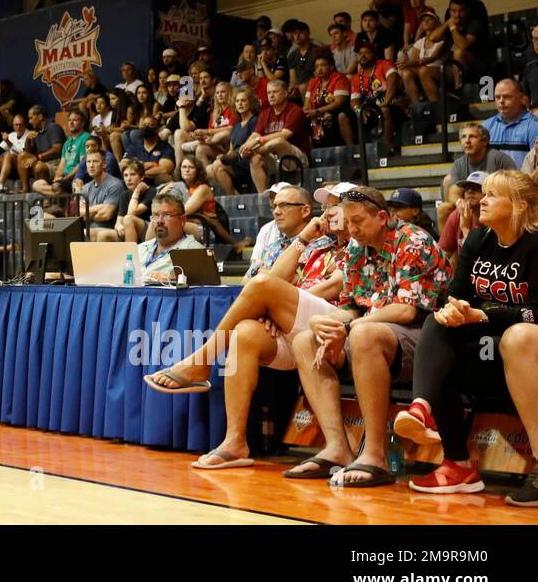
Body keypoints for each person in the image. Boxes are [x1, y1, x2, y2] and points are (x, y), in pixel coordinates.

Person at [144, 201, 349, 467]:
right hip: (296, 325)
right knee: (244, 333)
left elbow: (332, 287)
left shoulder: (358, 245)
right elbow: (277, 278)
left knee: (260, 285)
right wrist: (304, 238)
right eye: (326, 206)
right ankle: (235, 441)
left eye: (336, 206)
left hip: (331, 321)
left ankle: (201, 361)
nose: (328, 211)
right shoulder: (318, 247)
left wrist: (277, 305)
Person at [288, 186, 450, 487]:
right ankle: (337, 448)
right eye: (347, 222)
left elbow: (406, 311)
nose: (352, 229)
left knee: (364, 334)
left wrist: (349, 328)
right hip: (375, 330)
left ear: (383, 217)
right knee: (305, 340)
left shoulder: (412, 241)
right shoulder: (353, 249)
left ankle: (375, 454)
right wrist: (326, 324)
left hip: (429, 339)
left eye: (358, 221)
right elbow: (350, 307)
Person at [394, 171, 538, 504]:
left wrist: (485, 314)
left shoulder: (534, 245)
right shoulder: (477, 240)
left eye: (492, 195)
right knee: (438, 323)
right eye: (482, 193)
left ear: (519, 206)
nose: (480, 200)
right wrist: (451, 309)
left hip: (527, 353)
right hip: (490, 351)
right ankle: (445, 447)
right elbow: (456, 295)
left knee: (517, 336)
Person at [439, 122, 516, 233]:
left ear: (484, 141)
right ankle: (445, 246)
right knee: (444, 208)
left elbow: (514, 188)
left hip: (495, 203)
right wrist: (460, 202)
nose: (467, 141)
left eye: (472, 136)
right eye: (463, 137)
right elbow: (453, 193)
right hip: (471, 204)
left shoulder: (499, 159)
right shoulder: (459, 163)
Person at [241, 80, 311, 193]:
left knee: (278, 141)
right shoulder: (265, 113)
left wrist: (259, 142)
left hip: (296, 159)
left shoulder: (295, 110)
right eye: (269, 93)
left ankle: (259, 150)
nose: (271, 96)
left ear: (285, 94)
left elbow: (285, 134)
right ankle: (263, 198)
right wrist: (246, 146)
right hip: (274, 158)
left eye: (275, 92)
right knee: (255, 159)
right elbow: (255, 134)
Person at [244, 183, 316, 279]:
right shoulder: (274, 245)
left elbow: (292, 282)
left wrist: (259, 271)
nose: (276, 212)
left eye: (284, 205)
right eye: (274, 206)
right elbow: (246, 281)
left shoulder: (319, 246)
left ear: (305, 211)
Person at [135, 189, 205, 283]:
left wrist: (170, 278)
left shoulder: (195, 251)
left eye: (167, 215)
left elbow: (202, 287)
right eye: (155, 215)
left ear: (183, 220)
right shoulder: (139, 249)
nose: (159, 221)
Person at [483, 78, 538, 167]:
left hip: (523, 180)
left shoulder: (534, 126)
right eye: (497, 97)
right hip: (491, 180)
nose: (501, 101)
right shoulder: (486, 126)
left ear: (521, 98)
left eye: (507, 96)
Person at [79, 149, 127, 241]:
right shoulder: (86, 188)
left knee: (84, 233)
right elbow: (81, 215)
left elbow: (106, 215)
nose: (91, 165)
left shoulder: (114, 184)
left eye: (95, 161)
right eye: (88, 162)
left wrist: (87, 210)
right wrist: (100, 207)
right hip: (92, 229)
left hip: (111, 230)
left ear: (104, 164)